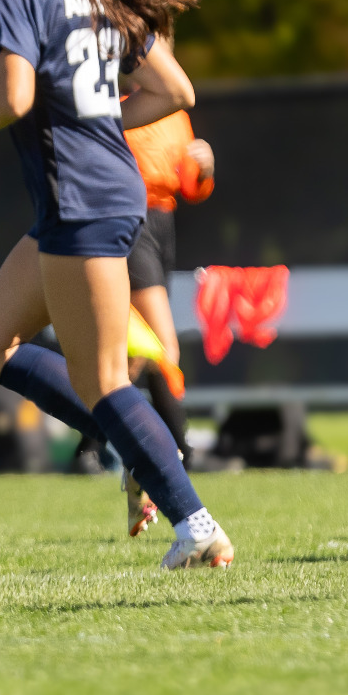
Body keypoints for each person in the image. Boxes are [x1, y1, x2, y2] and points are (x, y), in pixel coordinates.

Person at [0, 0, 234, 569]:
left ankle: (195, 523)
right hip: (91, 195)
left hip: (83, 199)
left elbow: (11, 97)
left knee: (103, 380)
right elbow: (174, 90)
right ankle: (142, 453)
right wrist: (101, 119)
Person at [124, 102, 213, 478]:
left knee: (133, 357)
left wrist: (205, 168)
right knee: (162, 347)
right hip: (131, 221)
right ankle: (181, 450)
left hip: (163, 224)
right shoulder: (117, 103)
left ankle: (88, 446)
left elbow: (190, 186)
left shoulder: (174, 110)